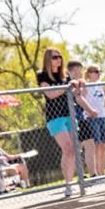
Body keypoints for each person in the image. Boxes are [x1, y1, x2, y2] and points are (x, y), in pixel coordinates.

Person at [37, 48, 82, 197]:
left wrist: (78, 85)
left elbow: (73, 94)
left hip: (69, 114)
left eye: (60, 57)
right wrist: (67, 86)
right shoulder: (42, 75)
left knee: (74, 150)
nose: (58, 60)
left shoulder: (65, 75)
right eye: (55, 57)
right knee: (67, 149)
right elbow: (50, 94)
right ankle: (68, 184)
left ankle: (72, 182)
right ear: (48, 59)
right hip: (55, 117)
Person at [84, 65, 105, 175]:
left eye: (99, 71)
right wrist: (90, 112)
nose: (98, 73)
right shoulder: (85, 86)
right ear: (89, 73)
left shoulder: (101, 85)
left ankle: (102, 172)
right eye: (95, 71)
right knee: (95, 145)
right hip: (91, 118)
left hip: (102, 116)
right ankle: (94, 173)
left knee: (103, 144)